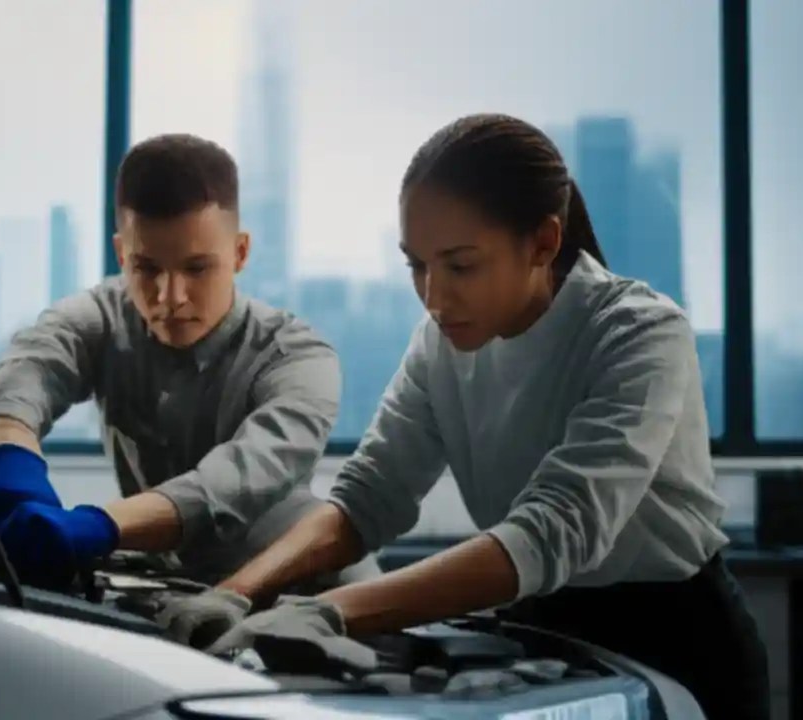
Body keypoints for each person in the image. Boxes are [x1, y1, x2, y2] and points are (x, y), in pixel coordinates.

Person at [157, 114, 769, 718]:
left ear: (544, 243)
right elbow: (366, 498)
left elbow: (552, 530)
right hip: (542, 624)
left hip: (676, 638)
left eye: (460, 265)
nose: (433, 296)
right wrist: (237, 593)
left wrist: (330, 611)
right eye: (416, 265)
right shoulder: (441, 344)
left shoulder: (639, 332)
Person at [0, 133, 379, 605]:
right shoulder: (101, 317)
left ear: (240, 253)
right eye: (146, 268)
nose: (171, 297)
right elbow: (31, 368)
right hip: (175, 593)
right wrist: (12, 452)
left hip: (318, 597)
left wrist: (99, 525)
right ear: (121, 255)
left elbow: (232, 482)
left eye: (197, 268)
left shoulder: (299, 358)